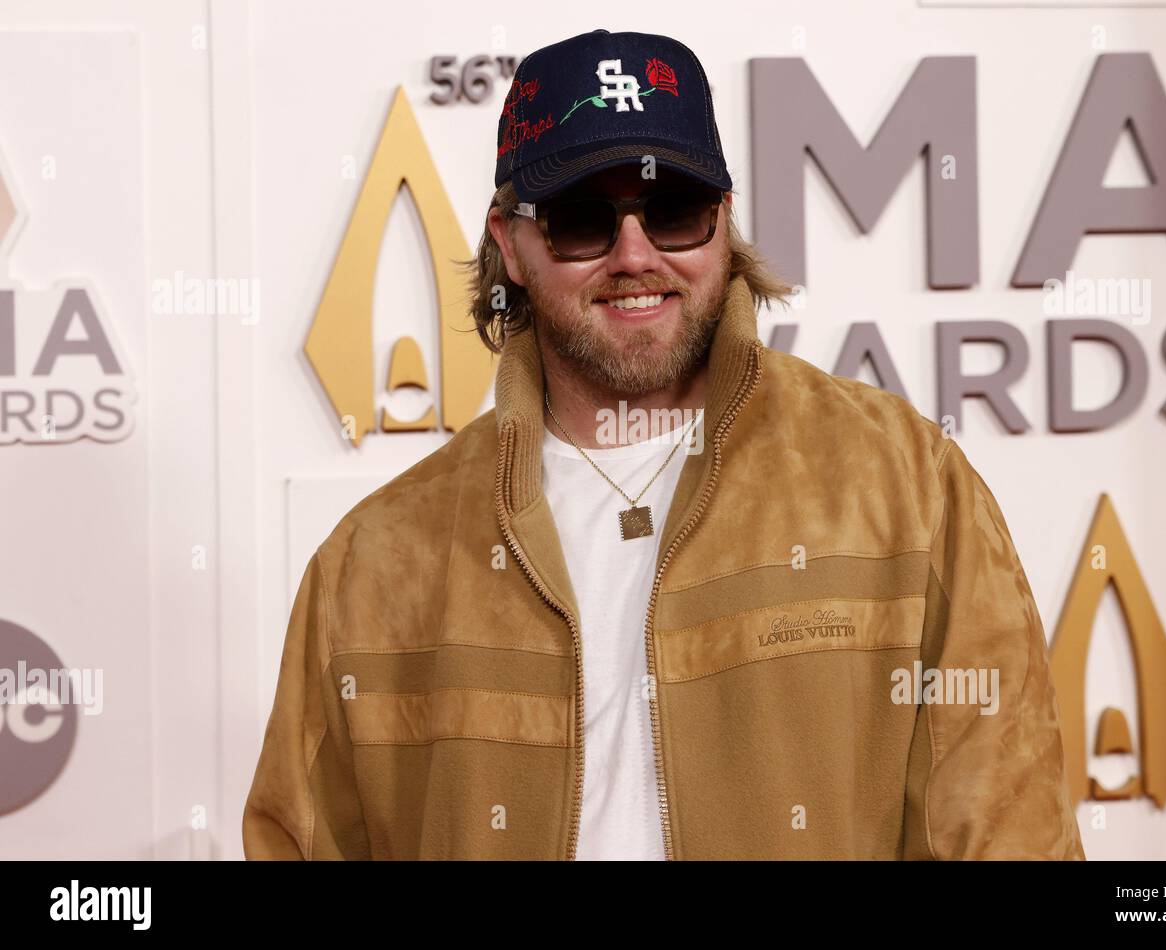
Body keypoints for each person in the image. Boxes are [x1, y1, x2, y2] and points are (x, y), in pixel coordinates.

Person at [243, 28, 1084, 860]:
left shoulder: (906, 486)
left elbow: (1010, 831)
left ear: (724, 220)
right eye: (582, 221)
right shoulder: (374, 564)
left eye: (674, 210)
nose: (635, 254)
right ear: (511, 244)